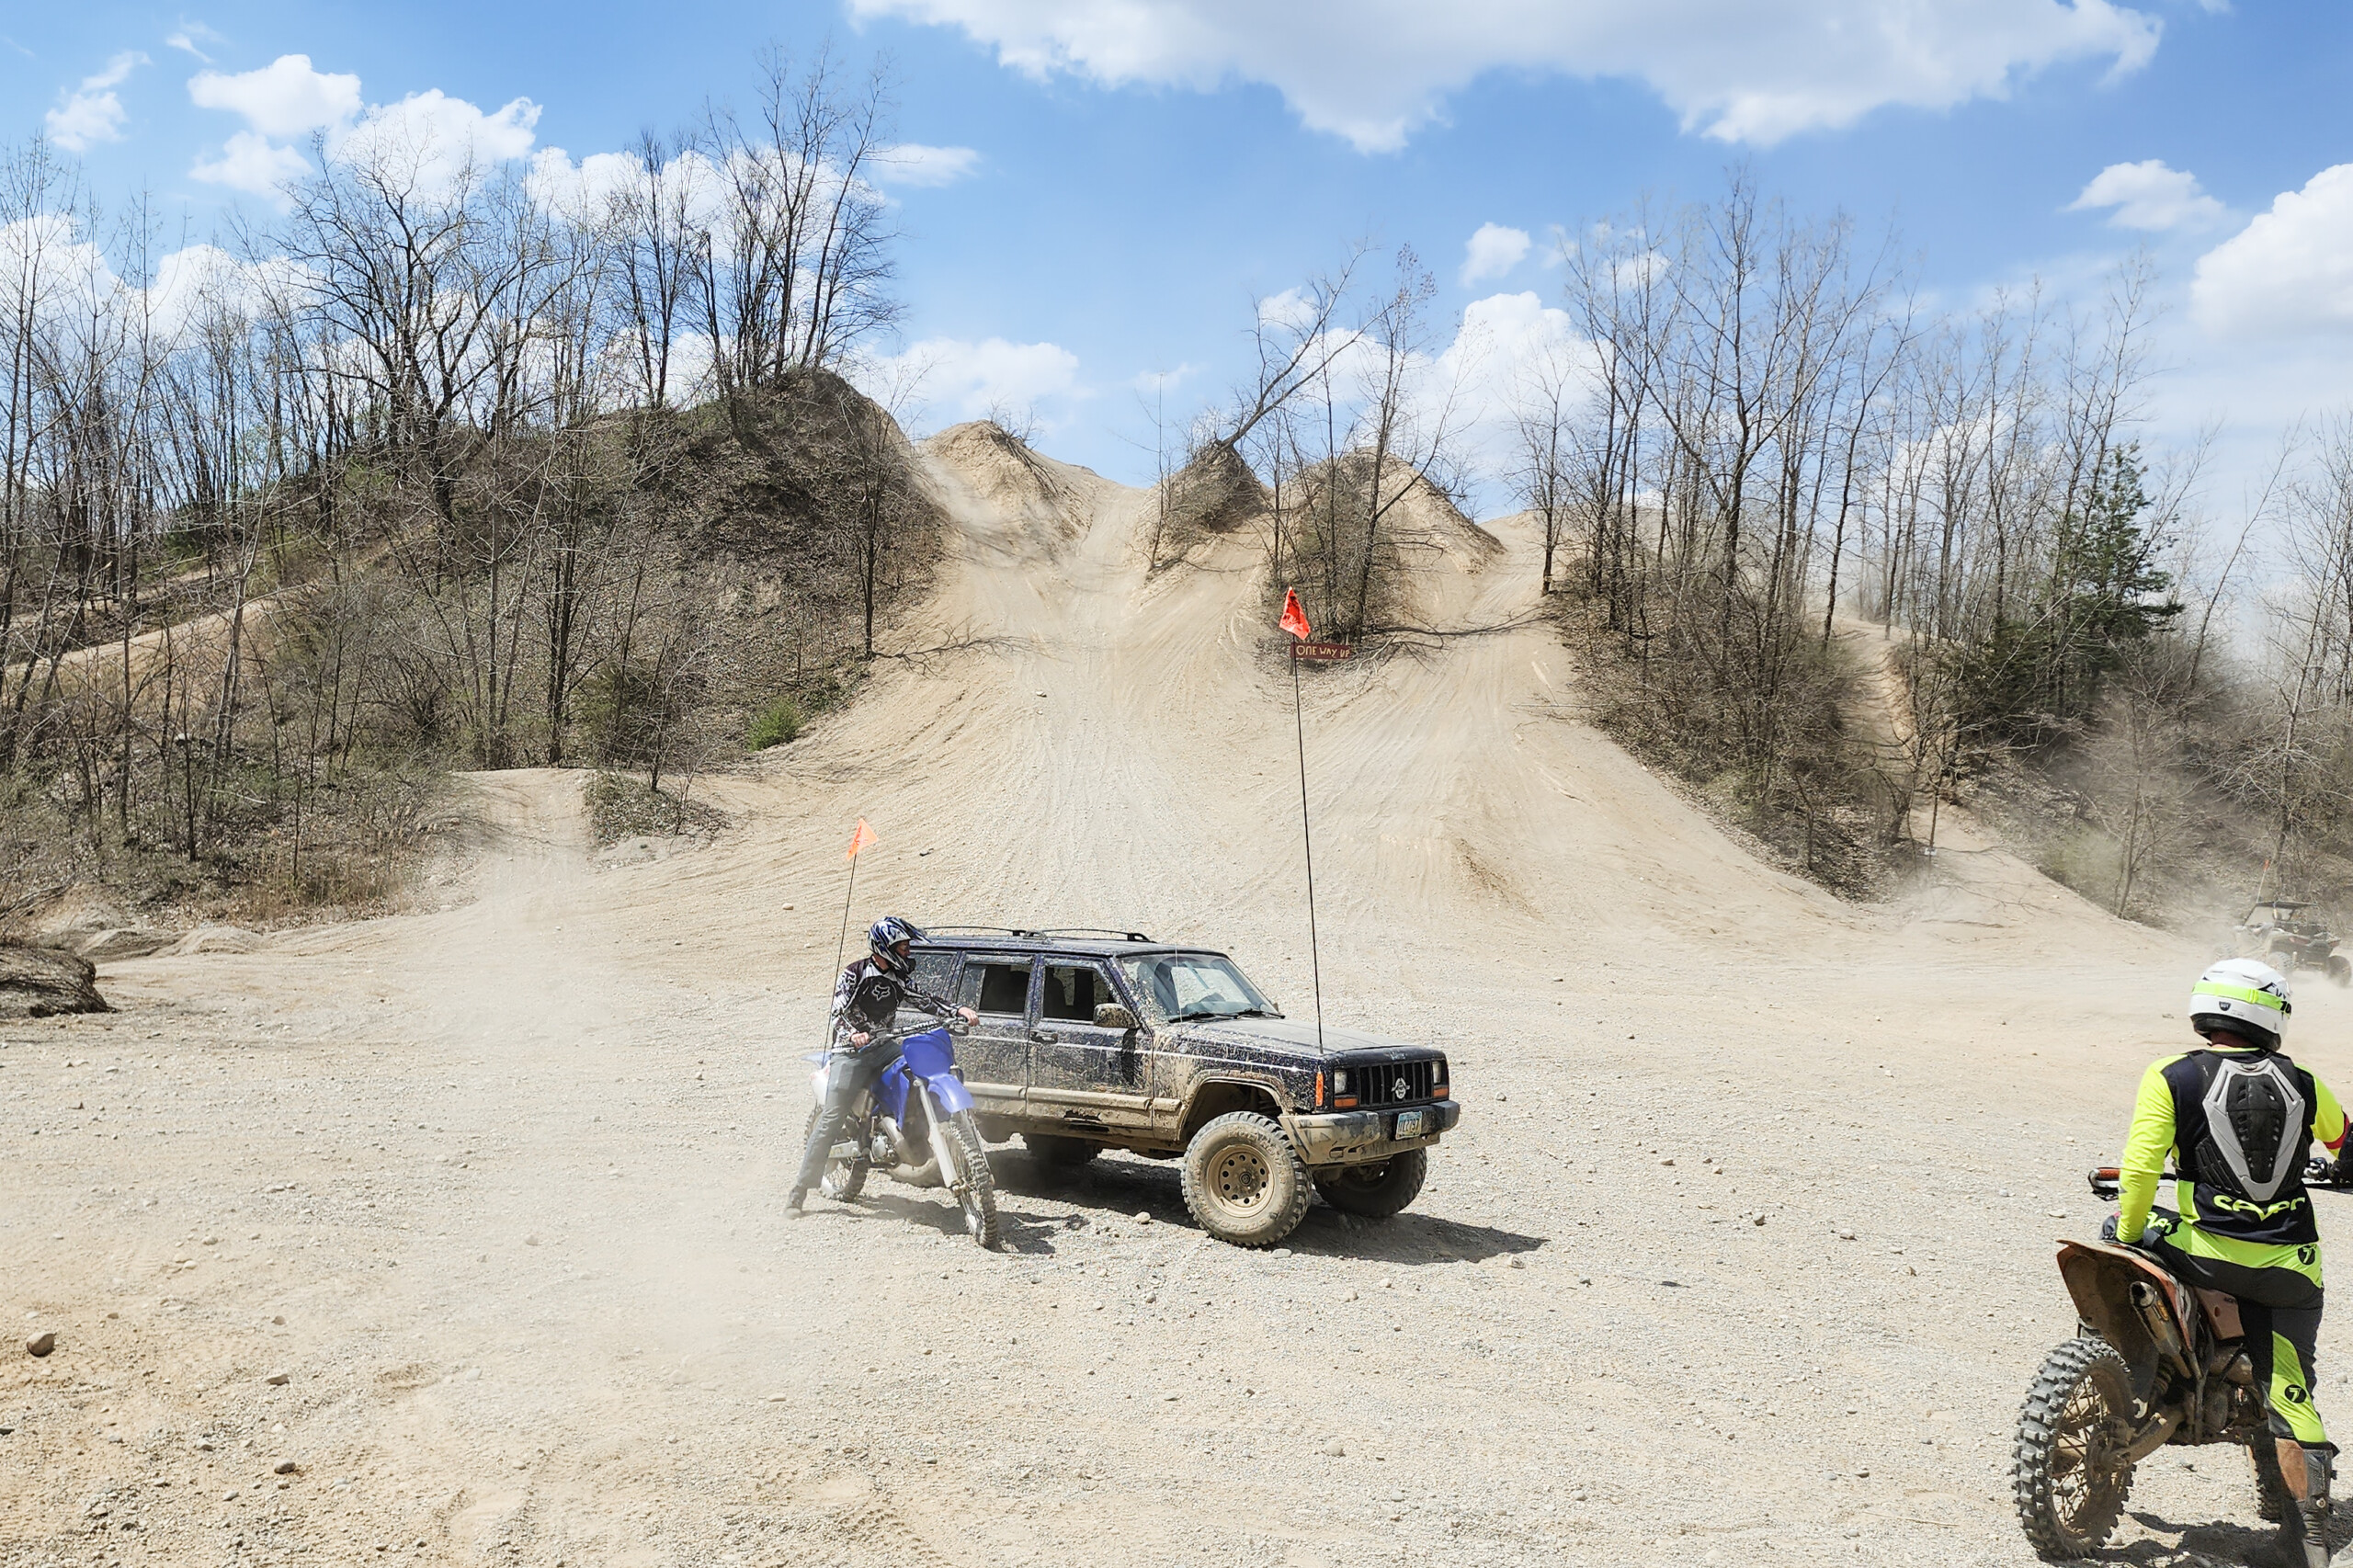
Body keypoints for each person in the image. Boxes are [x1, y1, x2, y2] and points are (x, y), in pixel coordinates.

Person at [2113, 957, 2350, 1565]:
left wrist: (2130, 1232)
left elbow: (2140, 1170)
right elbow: (2346, 1142)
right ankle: (2308, 1544)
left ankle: (2133, 1369)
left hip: (2206, 1255)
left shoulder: (2171, 1075)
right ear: (2272, 1016)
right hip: (2289, 1269)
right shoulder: (2304, 1081)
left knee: (2118, 1232)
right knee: (2292, 1393)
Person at [787, 915, 976, 1214]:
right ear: (884, 947)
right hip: (851, 1052)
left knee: (915, 1076)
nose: (907, 951)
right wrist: (854, 1033)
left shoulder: (899, 978)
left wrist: (957, 1010)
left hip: (884, 1047)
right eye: (902, 946)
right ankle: (798, 1192)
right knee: (832, 1117)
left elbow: (925, 999)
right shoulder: (855, 973)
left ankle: (903, 1130)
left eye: (907, 946)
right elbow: (837, 1012)